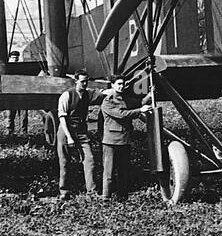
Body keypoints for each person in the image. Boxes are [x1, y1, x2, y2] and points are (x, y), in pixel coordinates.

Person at [99, 77, 152, 199]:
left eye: (122, 84)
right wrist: (140, 110)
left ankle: (122, 196)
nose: (121, 86)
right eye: (118, 84)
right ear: (112, 85)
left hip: (124, 140)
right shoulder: (108, 101)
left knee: (123, 171)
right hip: (111, 141)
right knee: (109, 172)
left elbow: (139, 103)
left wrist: (149, 95)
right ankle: (106, 197)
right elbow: (121, 114)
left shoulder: (125, 99)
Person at [56, 70, 102, 198]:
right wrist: (69, 137)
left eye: (86, 81)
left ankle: (91, 191)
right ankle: (64, 191)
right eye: (82, 81)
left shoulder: (87, 94)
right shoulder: (67, 95)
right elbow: (62, 118)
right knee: (65, 162)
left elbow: (103, 93)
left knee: (90, 159)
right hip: (66, 131)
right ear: (76, 81)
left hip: (81, 131)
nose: (85, 84)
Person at [6, 50, 23, 135]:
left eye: (16, 58)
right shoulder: (6, 68)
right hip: (11, 94)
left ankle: (23, 132)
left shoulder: (21, 67)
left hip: (21, 94)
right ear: (10, 58)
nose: (15, 59)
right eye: (13, 58)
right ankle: (10, 132)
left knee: (23, 116)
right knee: (10, 115)